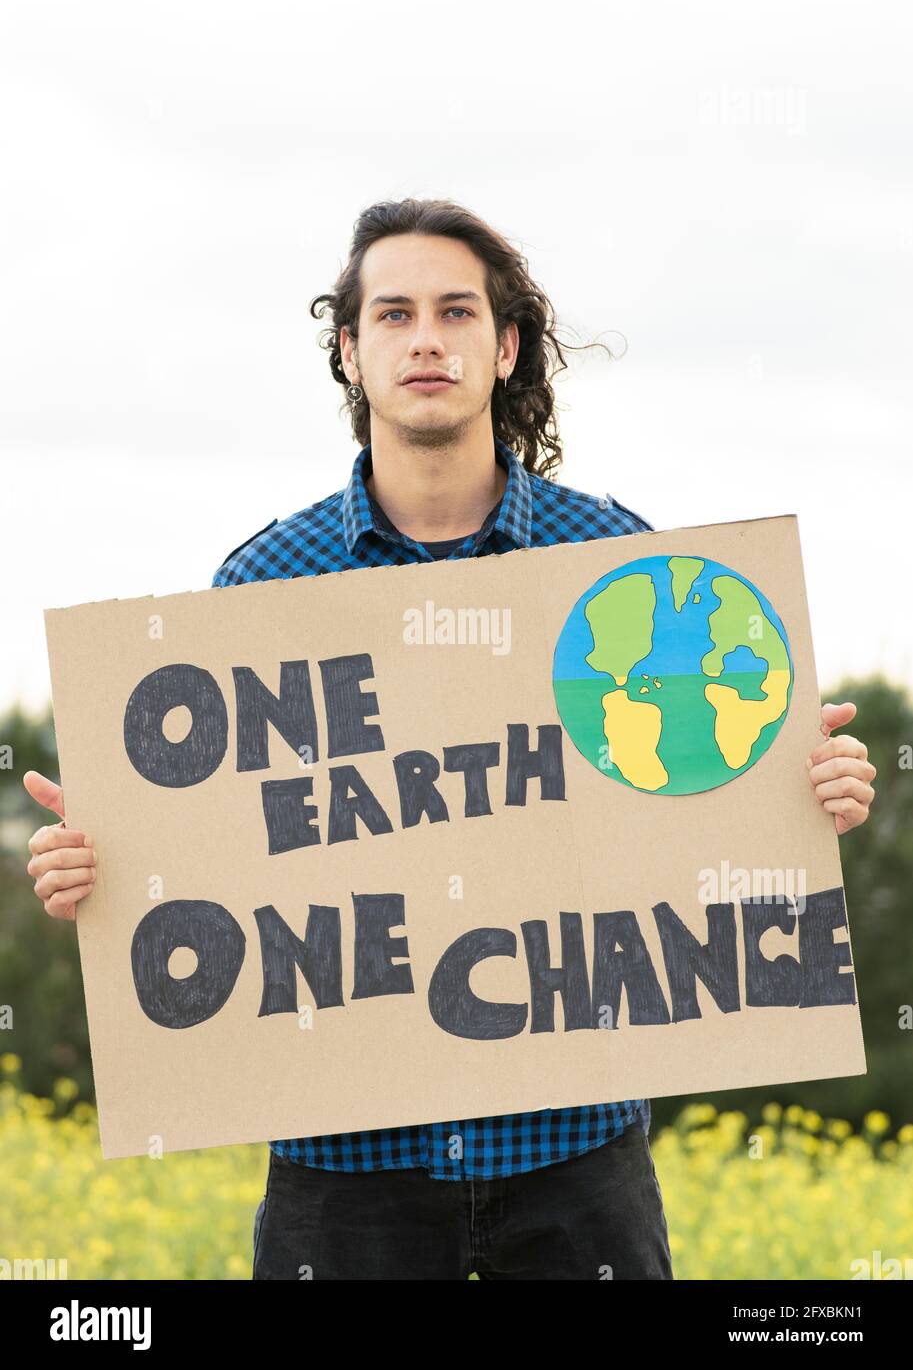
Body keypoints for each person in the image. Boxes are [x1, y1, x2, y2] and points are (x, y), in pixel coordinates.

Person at [24, 197, 878, 1281]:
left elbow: (695, 797)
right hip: (343, 1176)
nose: (424, 338)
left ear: (504, 344)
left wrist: (809, 794)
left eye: (455, 311)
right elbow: (213, 861)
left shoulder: (618, 562)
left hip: (575, 1159)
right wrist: (94, 872)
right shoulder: (259, 587)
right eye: (391, 314)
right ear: (349, 351)